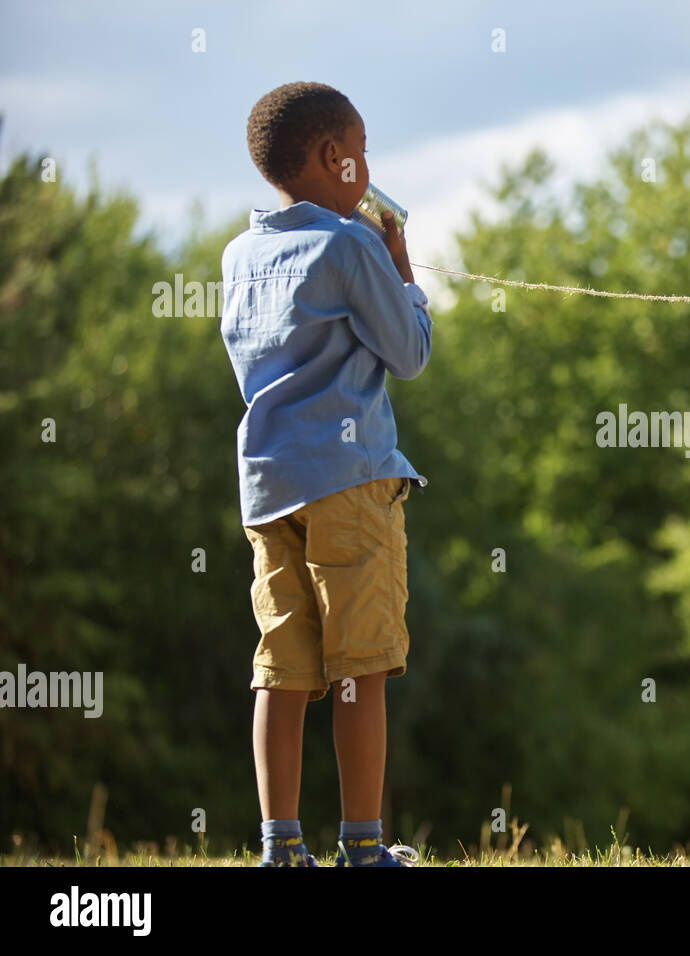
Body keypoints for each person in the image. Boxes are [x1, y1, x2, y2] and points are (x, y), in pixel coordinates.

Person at [220, 81, 432, 867]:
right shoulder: (350, 246)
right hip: (349, 479)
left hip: (268, 487)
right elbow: (408, 355)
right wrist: (402, 274)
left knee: (280, 665)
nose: (369, 166)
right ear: (332, 157)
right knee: (361, 663)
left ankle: (280, 848)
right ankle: (364, 846)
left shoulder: (237, 254)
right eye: (363, 151)